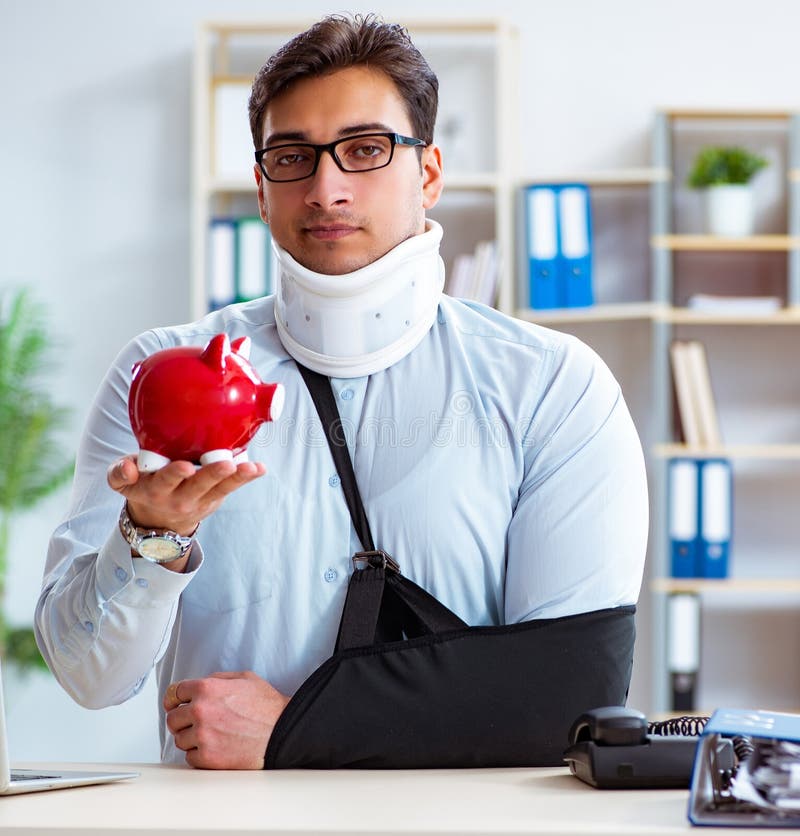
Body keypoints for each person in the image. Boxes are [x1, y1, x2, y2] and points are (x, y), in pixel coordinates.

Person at [35, 14, 648, 770]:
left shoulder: (552, 387)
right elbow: (87, 678)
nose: (326, 189)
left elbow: (569, 689)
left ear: (427, 172)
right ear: (261, 189)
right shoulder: (157, 376)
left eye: (365, 151)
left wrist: (300, 729)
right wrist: (150, 537)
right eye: (293, 157)